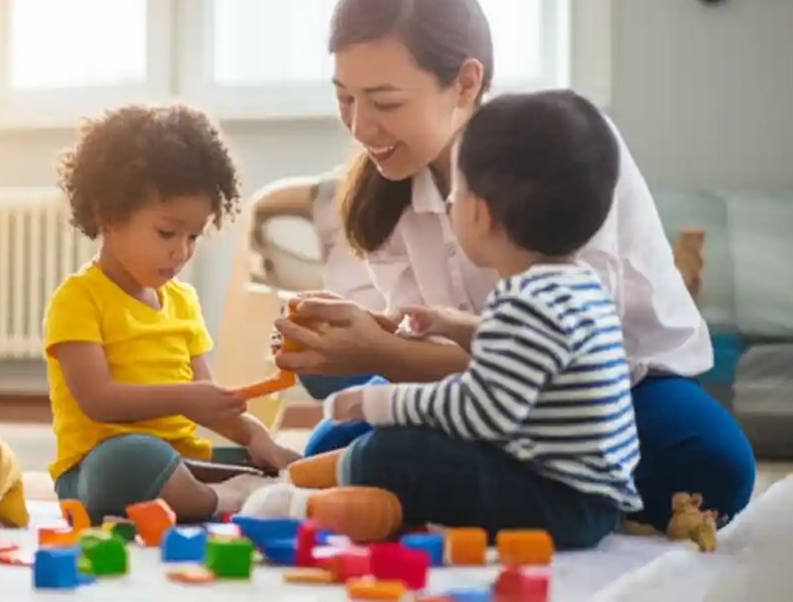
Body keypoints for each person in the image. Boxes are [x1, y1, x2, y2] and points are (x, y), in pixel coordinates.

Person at [274, 0, 755, 533]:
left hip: (612, 389)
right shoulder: (386, 191)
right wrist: (374, 332)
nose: (360, 127)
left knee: (712, 467)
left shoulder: (560, 147)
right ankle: (485, 479)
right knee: (331, 427)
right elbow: (438, 342)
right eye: (345, 98)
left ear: (467, 82)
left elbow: (555, 358)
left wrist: (381, 355)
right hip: (477, 381)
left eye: (385, 101)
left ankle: (481, 481)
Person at [248, 90, 640, 549]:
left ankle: (300, 501)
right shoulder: (575, 285)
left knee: (400, 449)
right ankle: (343, 486)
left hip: (557, 502)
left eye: (455, 193)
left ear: (479, 212)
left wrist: (381, 404)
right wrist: (453, 325)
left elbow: (482, 413)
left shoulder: (526, 299)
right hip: (591, 498)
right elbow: (528, 354)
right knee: (402, 446)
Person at [44, 104, 299, 523]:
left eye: (193, 236)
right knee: (132, 458)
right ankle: (227, 500)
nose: (180, 251)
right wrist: (184, 396)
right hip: (100, 468)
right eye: (167, 233)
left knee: (264, 461)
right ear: (109, 217)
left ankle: (231, 487)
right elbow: (99, 401)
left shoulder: (182, 302)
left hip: (178, 461)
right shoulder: (77, 299)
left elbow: (207, 404)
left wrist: (256, 436)